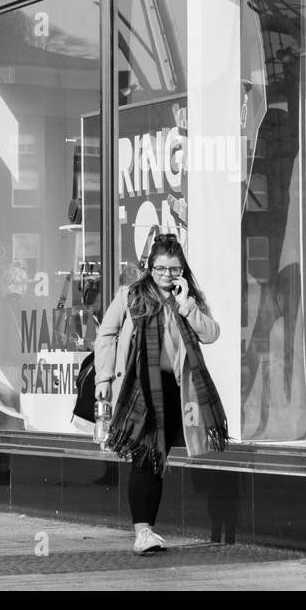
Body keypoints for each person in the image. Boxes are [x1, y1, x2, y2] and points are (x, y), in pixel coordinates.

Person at [94, 233, 229, 554]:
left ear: (182, 270)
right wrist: (103, 378)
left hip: (177, 391)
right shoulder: (130, 295)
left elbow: (211, 334)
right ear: (149, 267)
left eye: (174, 269)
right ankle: (143, 532)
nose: (167, 275)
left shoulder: (187, 299)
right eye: (161, 268)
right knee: (146, 457)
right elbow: (107, 333)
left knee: (158, 458)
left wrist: (186, 305)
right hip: (138, 387)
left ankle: (146, 530)